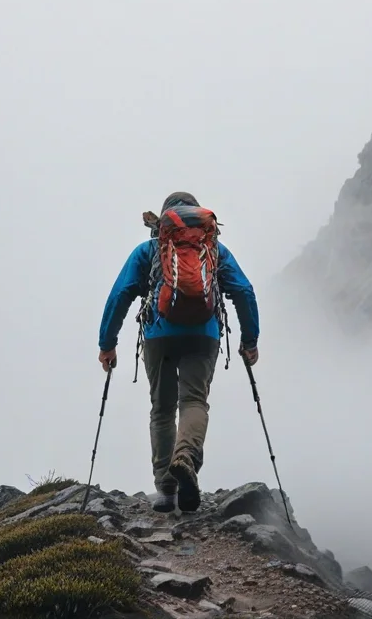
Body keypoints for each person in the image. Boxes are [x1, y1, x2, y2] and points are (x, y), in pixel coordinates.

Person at [97, 191, 260, 514]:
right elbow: (243, 290)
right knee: (194, 401)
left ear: (163, 221)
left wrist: (107, 343)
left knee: (162, 409)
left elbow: (121, 294)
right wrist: (249, 340)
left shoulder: (148, 250)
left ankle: (166, 489)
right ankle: (185, 456)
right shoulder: (214, 249)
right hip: (203, 334)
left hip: (159, 335)